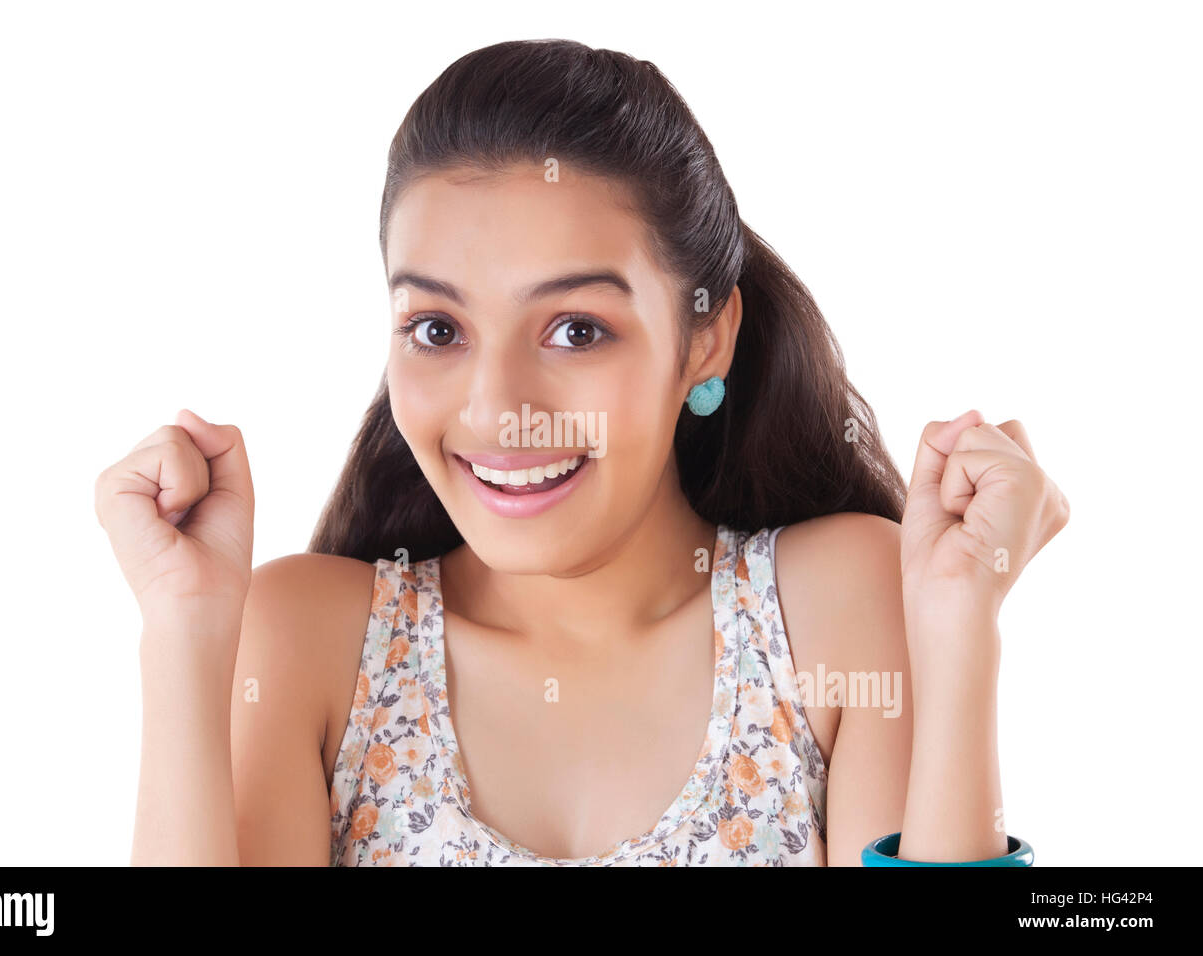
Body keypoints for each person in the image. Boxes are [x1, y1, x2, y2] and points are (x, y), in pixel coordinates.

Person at [95, 39, 1069, 866]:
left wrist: (958, 630)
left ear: (704, 340)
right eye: (437, 328)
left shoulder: (831, 607)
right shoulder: (311, 642)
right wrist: (184, 634)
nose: (497, 407)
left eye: (575, 330)